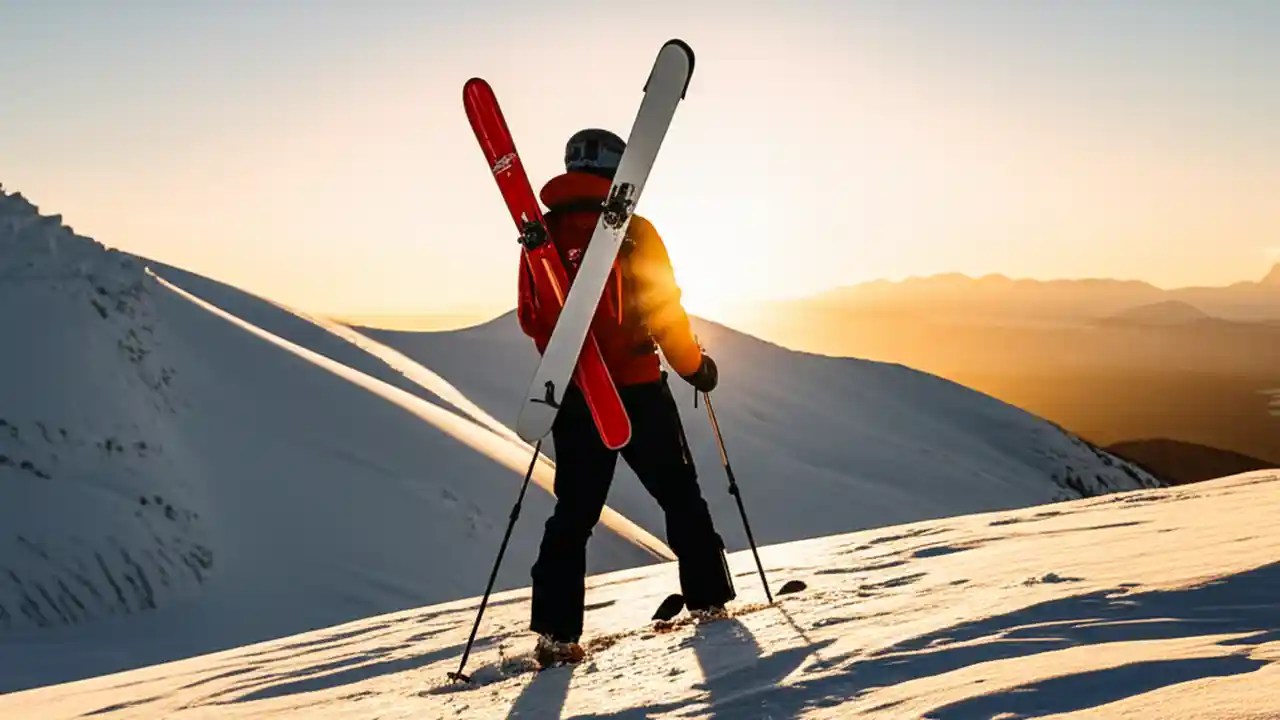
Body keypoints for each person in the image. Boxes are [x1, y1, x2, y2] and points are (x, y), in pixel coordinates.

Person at [517, 128, 734, 667]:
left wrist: (567, 367)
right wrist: (694, 368)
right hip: (638, 390)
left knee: (574, 513)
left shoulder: (540, 233)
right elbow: (664, 310)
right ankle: (710, 604)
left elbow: (531, 315)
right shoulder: (635, 230)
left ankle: (556, 634)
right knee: (680, 496)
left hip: (578, 394)